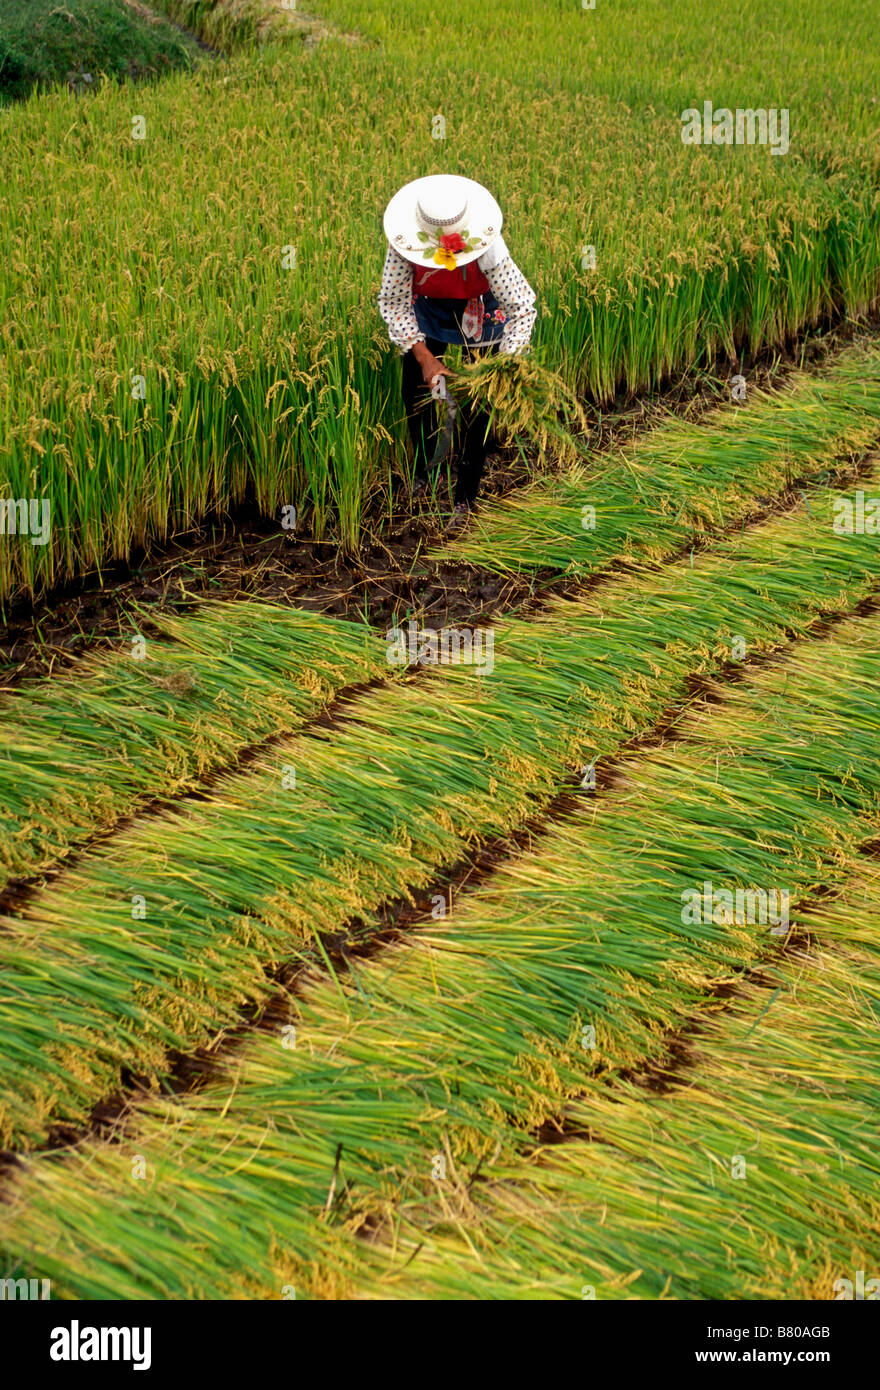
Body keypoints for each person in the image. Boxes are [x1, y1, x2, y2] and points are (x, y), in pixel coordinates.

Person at [378, 174, 536, 525]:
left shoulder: (489, 247)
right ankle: (425, 470)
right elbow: (394, 302)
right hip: (430, 308)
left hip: (481, 309)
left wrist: (500, 368)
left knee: (477, 405)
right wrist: (425, 358)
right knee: (415, 392)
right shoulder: (405, 245)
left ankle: (466, 496)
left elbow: (522, 306)